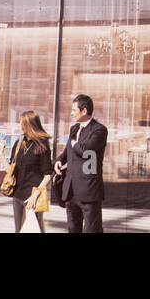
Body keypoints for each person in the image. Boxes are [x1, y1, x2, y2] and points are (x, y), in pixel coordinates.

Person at [54, 93, 108, 233]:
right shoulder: (74, 128)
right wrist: (60, 160)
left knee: (92, 230)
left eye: (74, 110)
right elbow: (68, 151)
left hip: (88, 190)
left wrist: (74, 143)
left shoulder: (99, 130)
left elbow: (87, 151)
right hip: (71, 190)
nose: (71, 113)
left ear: (84, 111)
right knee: (73, 229)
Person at [10, 110, 52, 233]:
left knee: (34, 229)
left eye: (21, 123)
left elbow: (48, 175)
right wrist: (1, 155)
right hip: (18, 195)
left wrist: (35, 195)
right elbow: (11, 171)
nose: (19, 126)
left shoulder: (41, 145)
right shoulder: (19, 144)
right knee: (19, 230)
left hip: (33, 196)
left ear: (29, 125)